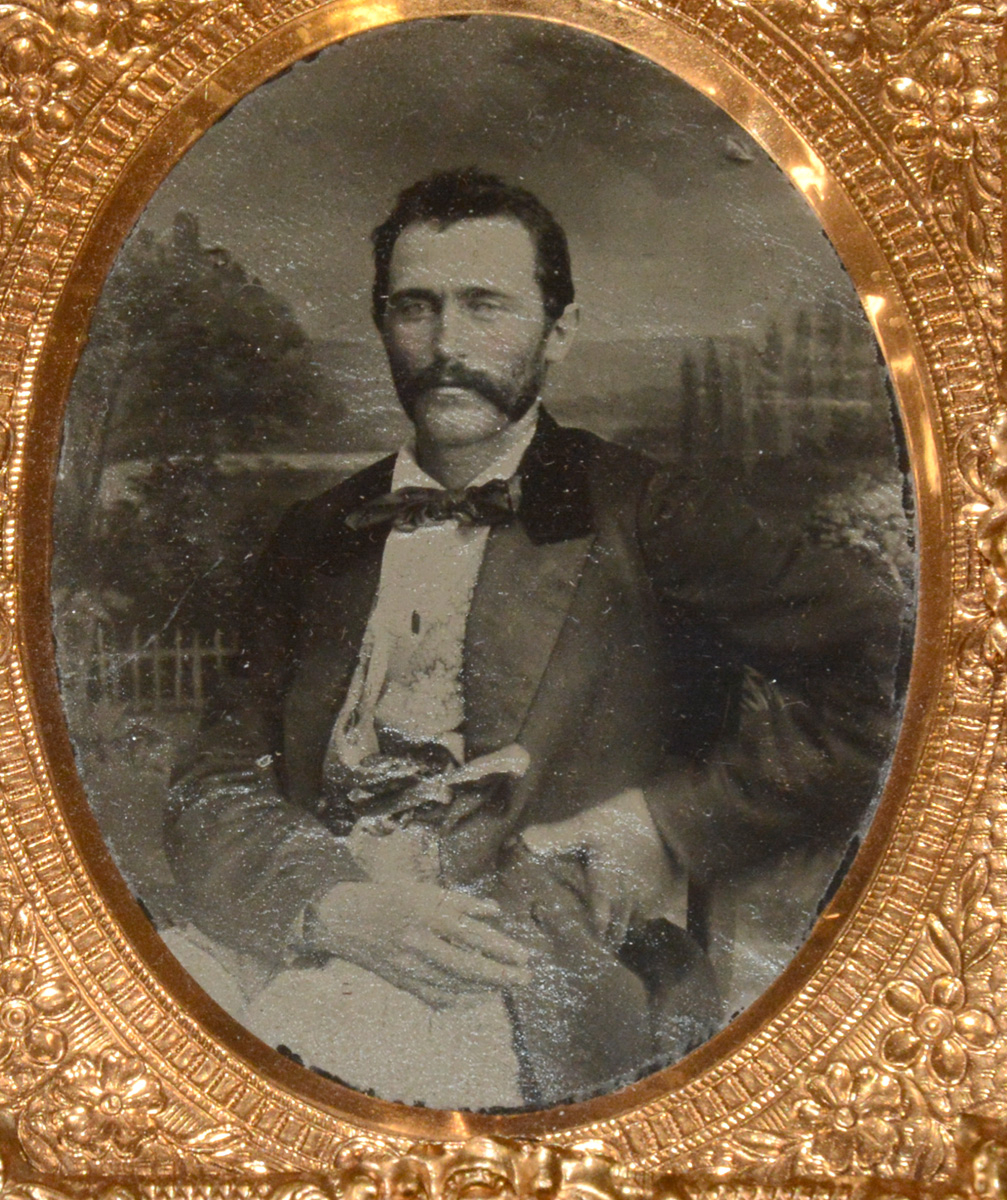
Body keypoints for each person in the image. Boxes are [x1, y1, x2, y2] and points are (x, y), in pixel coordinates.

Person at [165, 169, 907, 1109]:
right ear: (381, 322)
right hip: (309, 927)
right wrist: (330, 904)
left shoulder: (649, 513)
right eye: (414, 308)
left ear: (560, 332)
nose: (444, 348)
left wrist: (661, 820)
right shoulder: (317, 535)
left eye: (486, 307)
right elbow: (216, 777)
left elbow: (903, 669)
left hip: (523, 973)